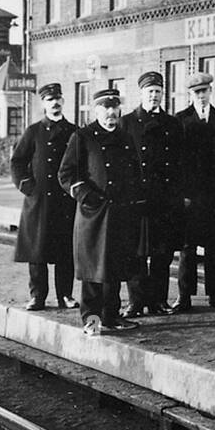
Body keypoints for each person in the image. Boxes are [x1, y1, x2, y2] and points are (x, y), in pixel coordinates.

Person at [57, 87, 142, 335]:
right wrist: (86, 196)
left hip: (120, 212)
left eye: (114, 108)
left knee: (115, 267)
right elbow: (66, 174)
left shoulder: (126, 138)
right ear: (96, 110)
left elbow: (135, 172)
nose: (111, 113)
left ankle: (112, 316)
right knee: (93, 271)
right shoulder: (83, 137)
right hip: (94, 214)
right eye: (105, 108)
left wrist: (134, 199)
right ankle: (91, 320)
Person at [11, 83, 79, 311]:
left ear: (63, 101)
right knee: (37, 251)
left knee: (65, 252)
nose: (55, 103)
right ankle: (37, 296)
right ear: (44, 104)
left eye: (58, 99)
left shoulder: (73, 131)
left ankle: (65, 295)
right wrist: (27, 186)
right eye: (50, 100)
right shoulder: (34, 132)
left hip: (65, 201)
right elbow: (18, 161)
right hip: (39, 201)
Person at [120, 71, 182, 317]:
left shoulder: (172, 124)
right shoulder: (127, 123)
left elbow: (179, 162)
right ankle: (136, 301)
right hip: (137, 200)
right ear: (141, 93)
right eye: (150, 92)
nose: (154, 96)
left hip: (163, 199)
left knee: (161, 253)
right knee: (135, 253)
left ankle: (158, 300)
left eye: (158, 91)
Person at [174, 72, 215, 310]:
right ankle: (185, 296)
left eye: (204, 91)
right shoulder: (181, 119)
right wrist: (183, 194)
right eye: (196, 93)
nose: (201, 96)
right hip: (192, 196)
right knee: (188, 247)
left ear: (211, 92)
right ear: (190, 95)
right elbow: (179, 161)